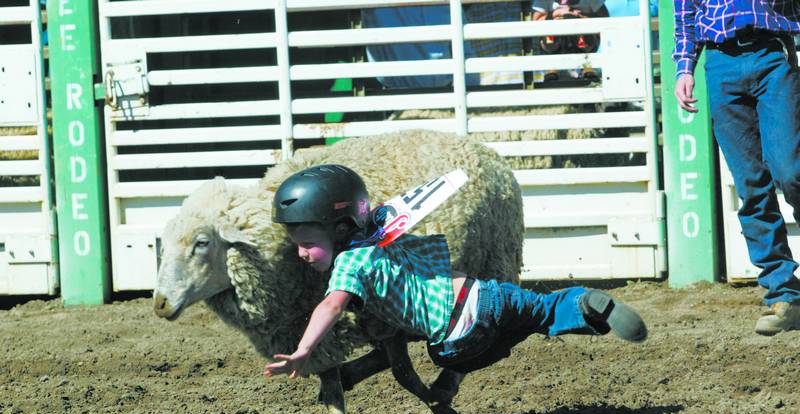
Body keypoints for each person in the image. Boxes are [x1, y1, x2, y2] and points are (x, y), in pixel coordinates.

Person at [263, 165, 647, 379]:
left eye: (307, 242)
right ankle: (586, 304)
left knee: (446, 355)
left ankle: (450, 383)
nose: (300, 253)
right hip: (485, 294)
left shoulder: (349, 263)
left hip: (455, 332)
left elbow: (330, 307)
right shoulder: (381, 232)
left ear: (342, 228)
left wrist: (303, 350)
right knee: (543, 310)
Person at [673, 1, 800, 335]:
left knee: (792, 170)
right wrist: (684, 69)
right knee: (750, 183)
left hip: (771, 53)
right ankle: (784, 293)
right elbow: (684, 14)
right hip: (719, 61)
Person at [533, 0, 608, 81]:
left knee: (584, 34)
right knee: (551, 31)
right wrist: (556, 13)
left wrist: (580, 17)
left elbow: (605, 20)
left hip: (583, 42)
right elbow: (535, 21)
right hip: (554, 43)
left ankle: (587, 67)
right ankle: (552, 68)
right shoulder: (545, 2)